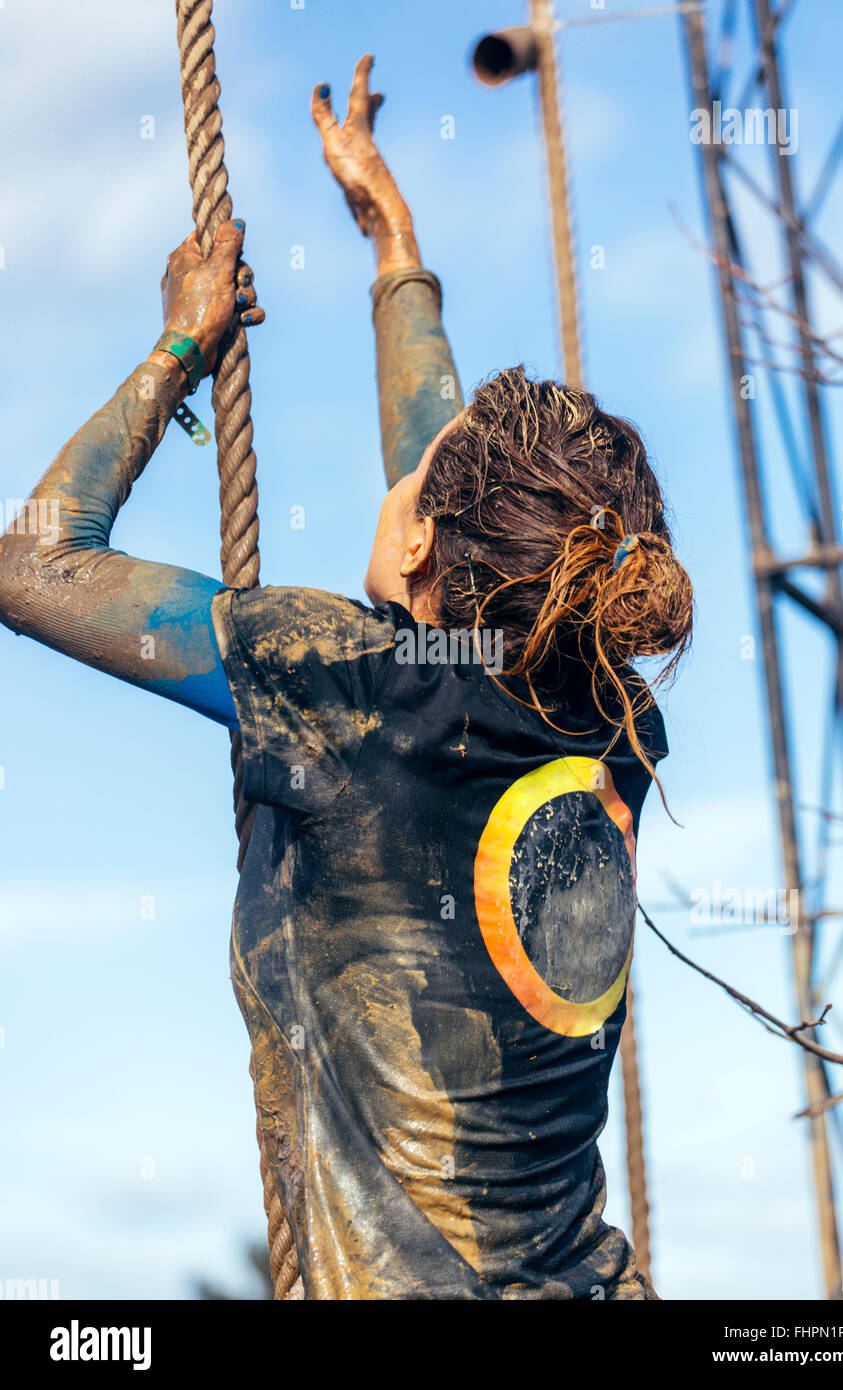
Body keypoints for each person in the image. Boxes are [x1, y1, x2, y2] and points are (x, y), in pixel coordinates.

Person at [0, 56, 692, 1300]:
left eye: (421, 491)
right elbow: (462, 512)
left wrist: (178, 343)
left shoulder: (344, 690)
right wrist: (393, 245)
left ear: (425, 542)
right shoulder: (612, 715)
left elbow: (32, 559)